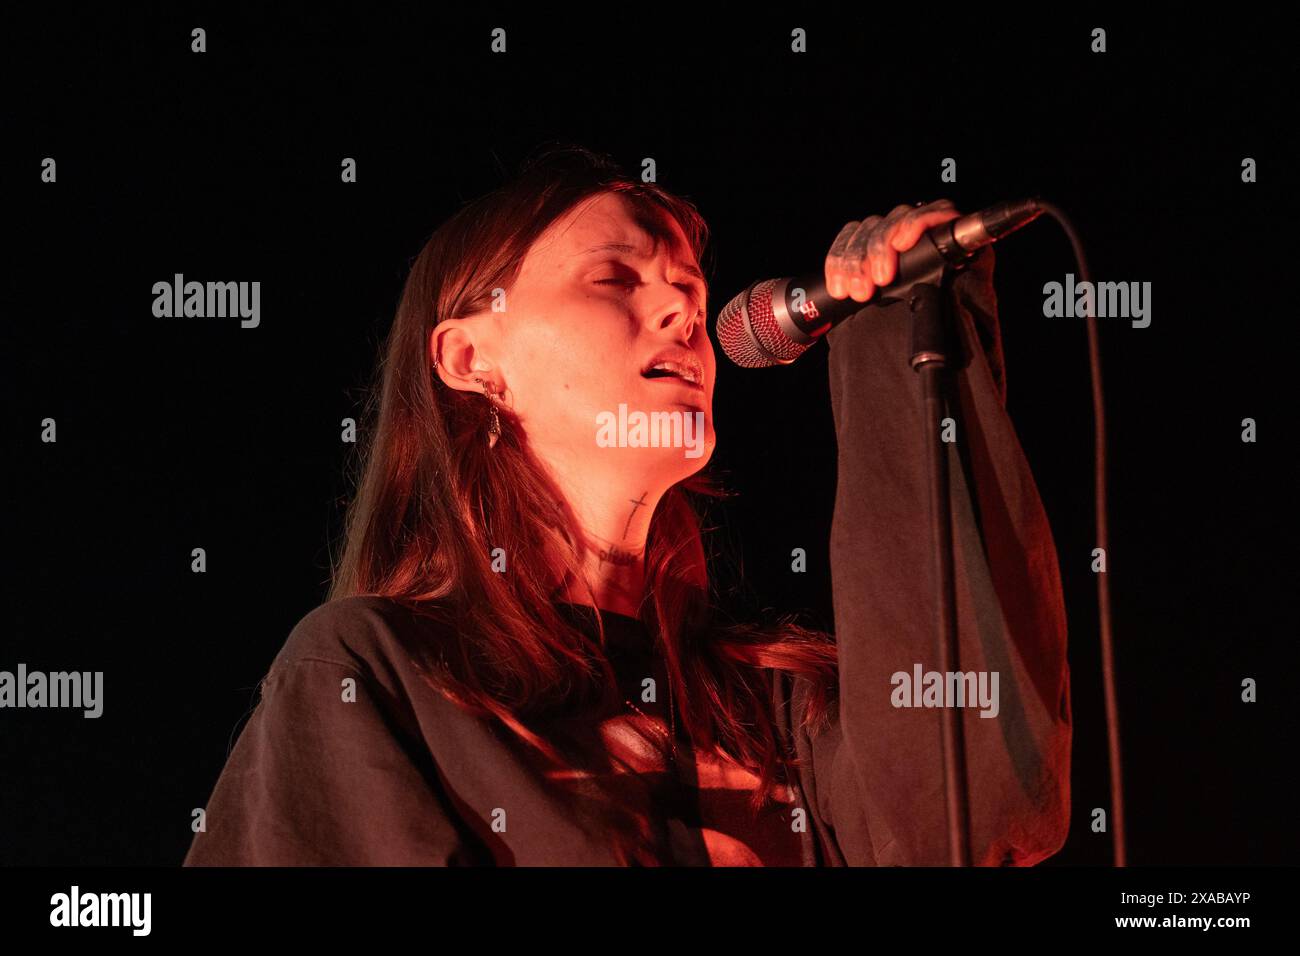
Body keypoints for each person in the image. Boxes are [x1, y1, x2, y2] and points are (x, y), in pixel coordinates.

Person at [183, 145, 1071, 867]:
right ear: (470, 360)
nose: (684, 306)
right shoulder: (377, 675)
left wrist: (903, 332)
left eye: (690, 286)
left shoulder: (778, 710)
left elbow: (978, 813)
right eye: (614, 277)